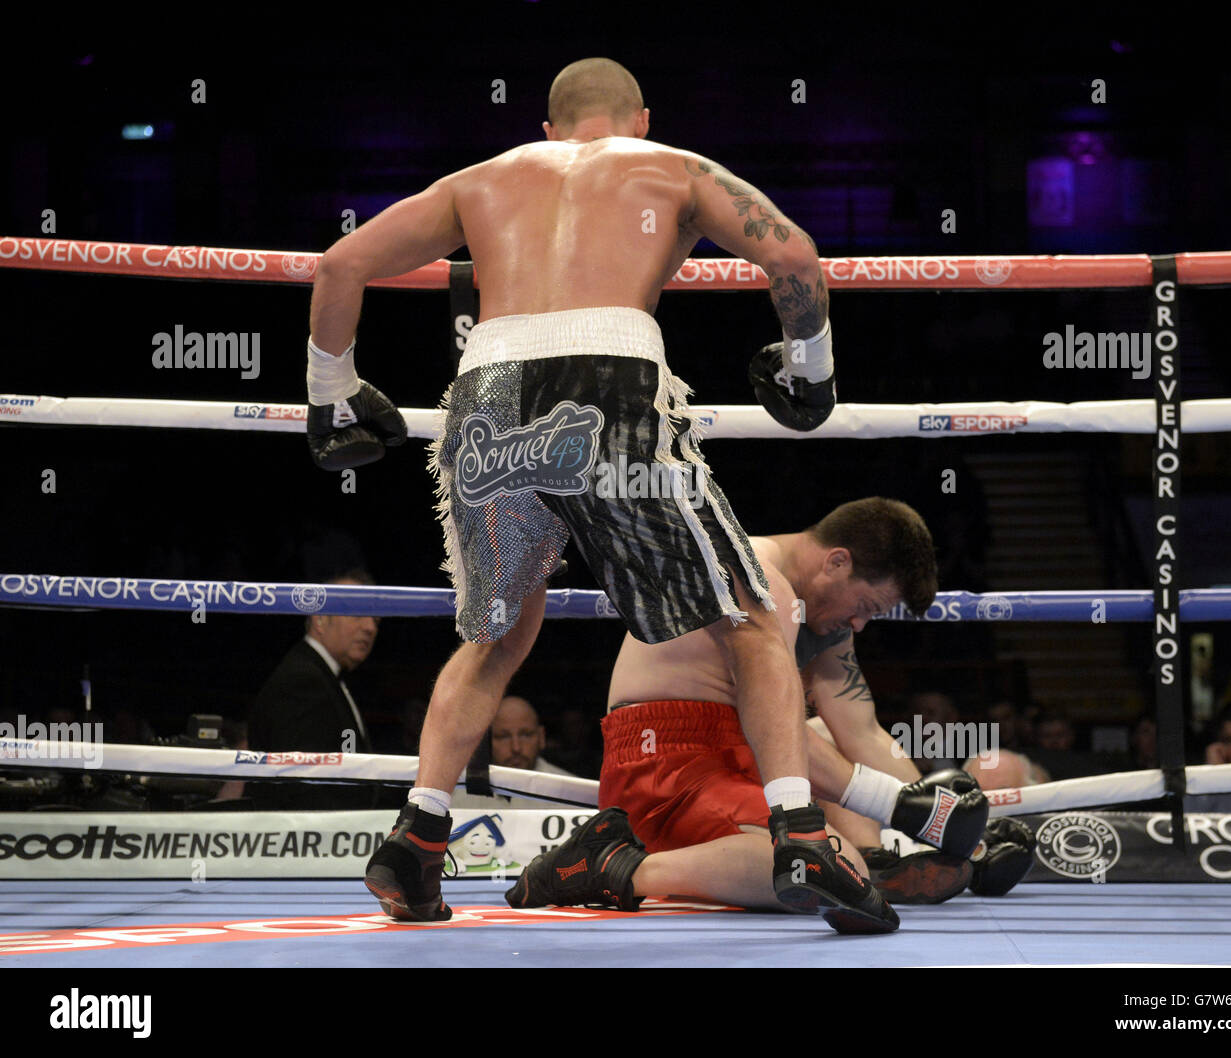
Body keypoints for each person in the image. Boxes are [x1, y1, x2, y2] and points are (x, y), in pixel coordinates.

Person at [307, 58, 892, 931]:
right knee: (748, 613)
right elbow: (795, 255)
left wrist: (333, 397)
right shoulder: (672, 167)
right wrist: (810, 374)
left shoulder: (484, 178)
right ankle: (799, 831)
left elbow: (341, 265)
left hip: (488, 386)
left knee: (497, 633)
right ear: (640, 120)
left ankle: (418, 832)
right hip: (607, 378)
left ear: (547, 131)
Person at [507, 498, 1025, 919]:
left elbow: (861, 732)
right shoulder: (757, 578)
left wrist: (938, 823)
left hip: (729, 753)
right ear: (837, 561)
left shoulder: (823, 620)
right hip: (666, 761)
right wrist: (899, 806)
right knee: (820, 861)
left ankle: (877, 861)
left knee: (823, 739)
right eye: (865, 607)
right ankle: (610, 865)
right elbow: (775, 732)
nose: (861, 625)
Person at [246, 570, 379, 809]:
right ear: (320, 620)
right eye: (358, 614)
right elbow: (302, 785)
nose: (370, 627)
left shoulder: (321, 675)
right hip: (314, 836)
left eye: (376, 619)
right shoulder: (303, 680)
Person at [452, 695, 577, 810]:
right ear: (487, 742)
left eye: (526, 735)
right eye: (503, 736)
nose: (516, 747)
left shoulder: (573, 795)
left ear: (541, 737)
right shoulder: (456, 796)